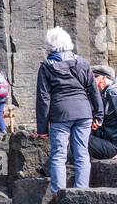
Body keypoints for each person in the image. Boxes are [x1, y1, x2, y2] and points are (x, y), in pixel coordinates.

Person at [35, 26, 103, 193]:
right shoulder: (82, 62)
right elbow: (93, 90)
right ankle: (82, 191)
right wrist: (99, 115)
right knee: (82, 153)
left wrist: (42, 129)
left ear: (50, 47)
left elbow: (43, 99)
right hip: (84, 113)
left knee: (59, 155)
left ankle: (59, 195)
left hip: (60, 114)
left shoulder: (46, 67)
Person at [89, 65, 117, 159]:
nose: (89, 84)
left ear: (103, 79)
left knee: (79, 138)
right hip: (110, 142)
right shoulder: (103, 95)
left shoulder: (115, 93)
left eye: (91, 80)